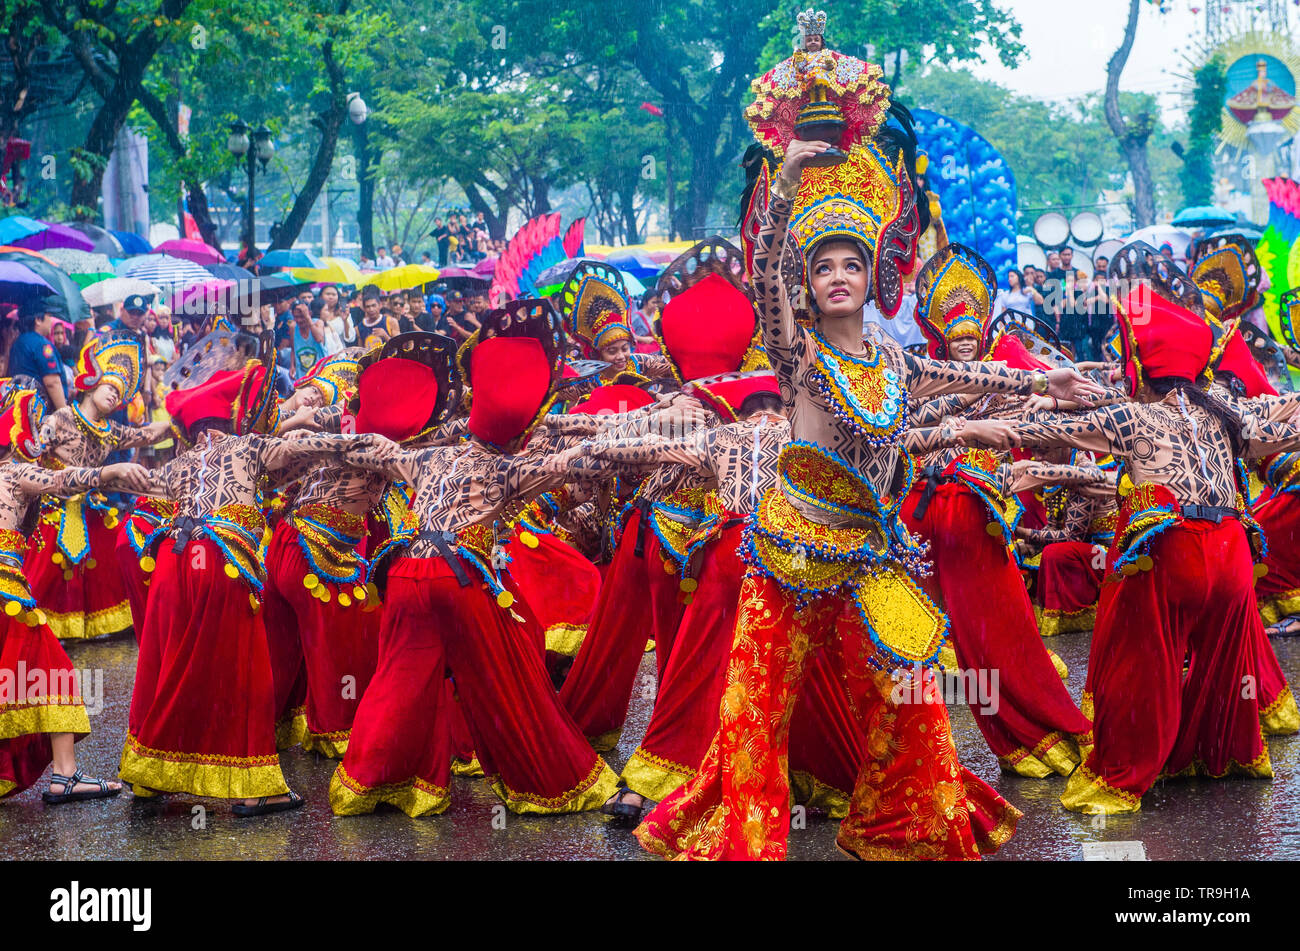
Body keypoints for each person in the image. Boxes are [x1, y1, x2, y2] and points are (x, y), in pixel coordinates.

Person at [636, 67, 1100, 858]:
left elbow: (972, 374)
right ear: (810, 288)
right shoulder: (798, 355)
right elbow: (766, 277)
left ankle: (903, 827)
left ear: (872, 278)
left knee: (914, 700)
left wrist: (1043, 381)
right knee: (754, 714)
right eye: (824, 268)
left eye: (851, 263)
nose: (838, 275)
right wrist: (783, 191)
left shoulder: (894, 359)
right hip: (784, 553)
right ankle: (746, 841)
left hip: (868, 554)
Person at [1002, 242, 1300, 814]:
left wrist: (978, 426)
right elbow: (1269, 429)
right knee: (1223, 663)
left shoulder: (1134, 414)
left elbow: (1045, 430)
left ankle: (1121, 776)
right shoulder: (1220, 413)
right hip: (1233, 555)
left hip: (1174, 550)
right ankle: (1224, 754)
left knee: (1141, 663)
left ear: (1138, 363)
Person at [0, 378, 149, 804]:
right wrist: (111, 471)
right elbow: (66, 481)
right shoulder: (14, 472)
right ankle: (65, 776)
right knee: (55, 672)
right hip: (7, 596)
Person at [10, 301, 67, 410]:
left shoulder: (18, 342)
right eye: (49, 316)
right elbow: (52, 382)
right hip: (41, 411)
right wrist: (63, 412)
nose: (51, 320)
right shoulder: (42, 344)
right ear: (38, 320)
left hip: (22, 407)